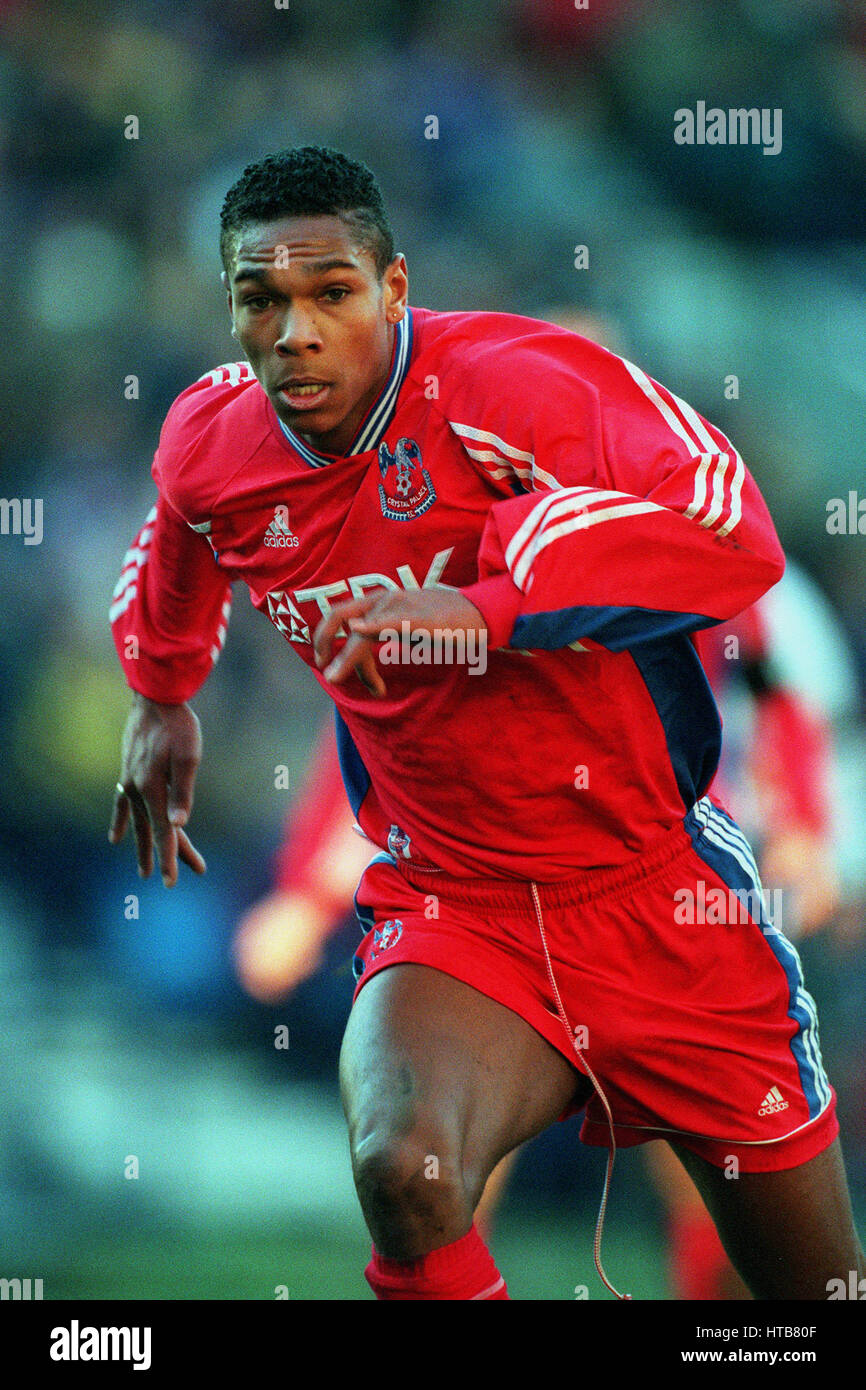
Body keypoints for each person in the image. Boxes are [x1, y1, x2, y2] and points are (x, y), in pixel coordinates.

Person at [108, 144, 863, 1300]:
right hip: (456, 907)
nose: (294, 331)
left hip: (657, 896)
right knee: (401, 1170)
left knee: (805, 1290)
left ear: (394, 288)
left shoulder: (525, 388)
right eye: (261, 300)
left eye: (332, 294)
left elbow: (737, 544)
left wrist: (483, 608)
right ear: (229, 309)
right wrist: (161, 698)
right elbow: (182, 541)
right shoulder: (215, 443)